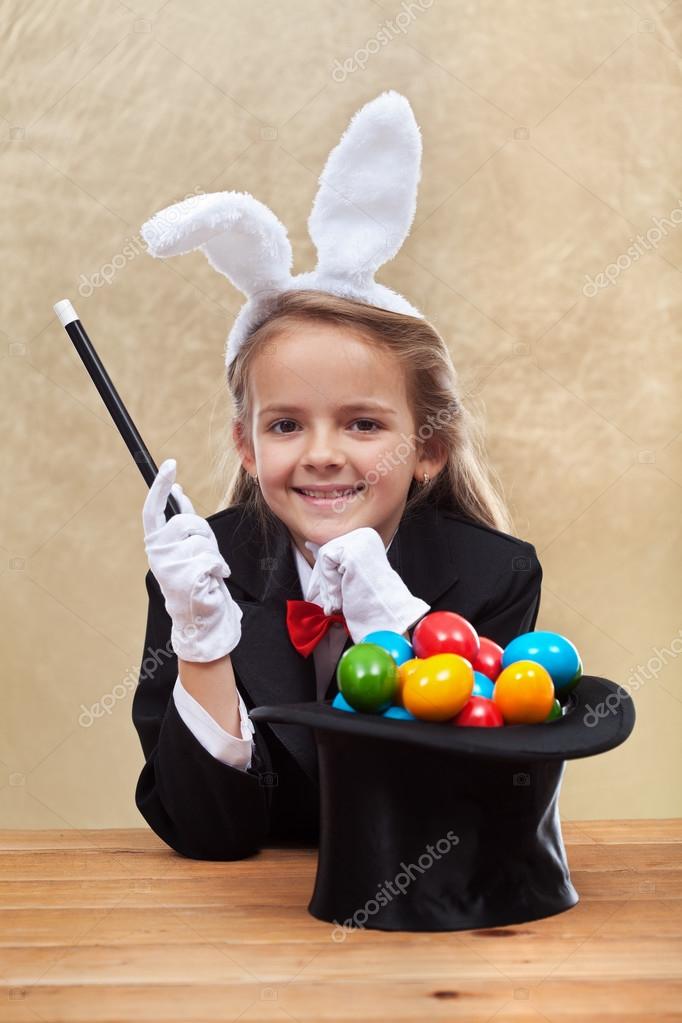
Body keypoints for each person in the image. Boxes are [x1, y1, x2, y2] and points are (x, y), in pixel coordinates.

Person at [132, 93, 543, 861]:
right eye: (286, 425)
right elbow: (208, 833)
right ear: (247, 448)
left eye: (362, 423)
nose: (322, 453)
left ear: (428, 447)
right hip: (248, 938)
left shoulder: (493, 572)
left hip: (422, 929)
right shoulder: (198, 570)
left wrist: (405, 626)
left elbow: (463, 821)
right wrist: (202, 640)